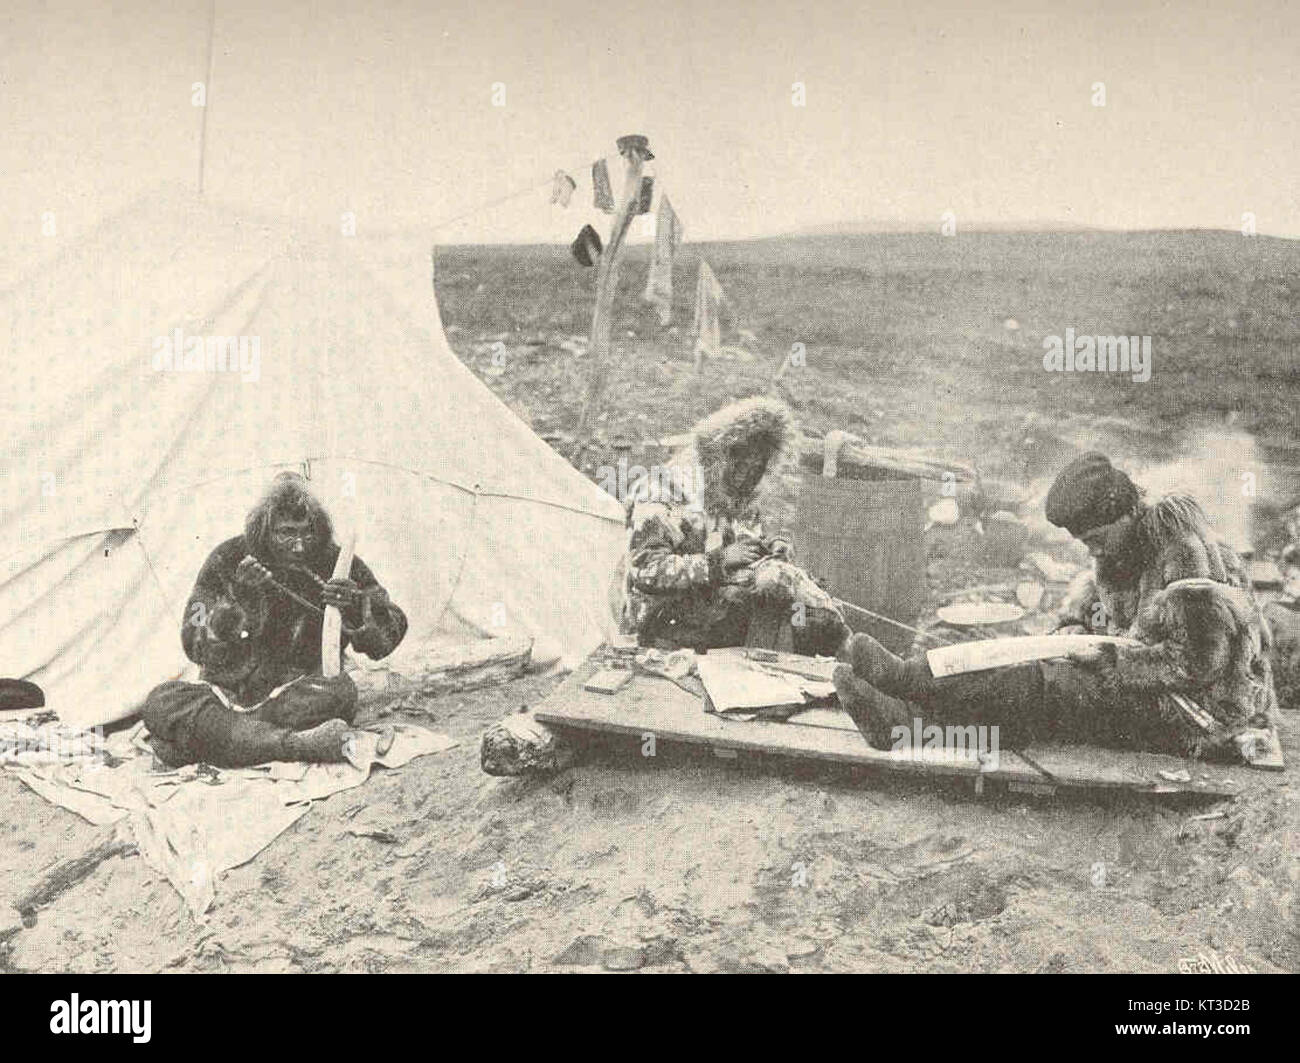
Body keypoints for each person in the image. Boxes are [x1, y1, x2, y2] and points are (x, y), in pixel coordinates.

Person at [834, 452, 1277, 760]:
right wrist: (1071, 627)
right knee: (1021, 670)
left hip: (1201, 712)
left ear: (1124, 515)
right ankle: (905, 706)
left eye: (1097, 541)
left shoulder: (1186, 559)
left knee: (1044, 690)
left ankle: (907, 696)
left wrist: (1106, 658)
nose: (1095, 553)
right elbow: (1102, 613)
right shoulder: (1128, 545)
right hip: (1152, 683)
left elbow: (1197, 663)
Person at [141, 473, 407, 767]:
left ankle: (210, 740)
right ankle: (295, 745)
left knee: (339, 692)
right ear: (264, 530)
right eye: (286, 533)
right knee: (160, 701)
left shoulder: (336, 561)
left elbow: (391, 631)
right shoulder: (227, 558)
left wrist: (356, 605)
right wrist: (236, 600)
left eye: (306, 534)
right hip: (228, 692)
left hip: (299, 694)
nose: (298, 546)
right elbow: (192, 641)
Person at [622, 397, 850, 657]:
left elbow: (744, 540)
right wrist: (718, 562)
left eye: (756, 469)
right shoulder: (664, 490)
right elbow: (645, 570)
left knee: (793, 602)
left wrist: (768, 548)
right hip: (658, 622)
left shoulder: (734, 492)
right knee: (777, 599)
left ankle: (844, 657)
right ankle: (847, 656)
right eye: (740, 464)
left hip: (708, 610)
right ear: (721, 454)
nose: (746, 475)